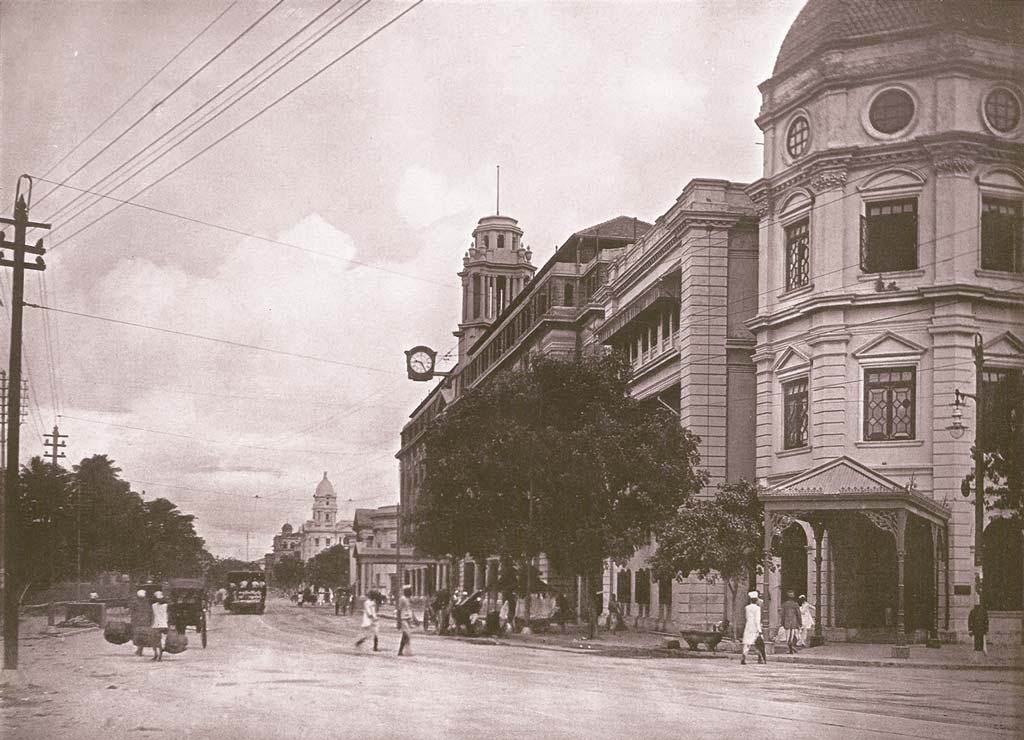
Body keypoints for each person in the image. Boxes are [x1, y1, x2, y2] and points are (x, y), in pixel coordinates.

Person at [741, 590, 763, 666]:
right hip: (755, 626)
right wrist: (759, 629)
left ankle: (744, 655)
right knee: (758, 642)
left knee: (747, 642)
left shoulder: (747, 607)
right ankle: (760, 657)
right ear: (756, 599)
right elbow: (757, 619)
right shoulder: (757, 608)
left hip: (748, 625)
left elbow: (747, 617)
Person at [129, 589, 154, 657]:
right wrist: (151, 621)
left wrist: (132, 621)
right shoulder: (147, 603)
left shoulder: (135, 603)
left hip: (137, 622)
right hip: (145, 622)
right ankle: (140, 650)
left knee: (138, 636)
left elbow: (132, 613)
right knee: (143, 636)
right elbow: (150, 612)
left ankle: (139, 650)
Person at [780, 590, 802, 654]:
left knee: (787, 636)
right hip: (794, 622)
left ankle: (790, 648)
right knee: (792, 636)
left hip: (787, 623)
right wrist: (800, 623)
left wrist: (782, 623)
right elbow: (798, 614)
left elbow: (782, 615)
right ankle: (791, 647)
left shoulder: (784, 604)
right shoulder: (795, 604)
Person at [150, 590, 169, 662]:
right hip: (164, 625)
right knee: (162, 641)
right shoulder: (166, 606)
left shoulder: (153, 606)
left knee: (154, 641)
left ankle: (155, 654)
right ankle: (160, 656)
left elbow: (152, 616)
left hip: (156, 625)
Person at [398, 586, 414, 656]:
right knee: (406, 635)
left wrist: (414, 619)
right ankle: (401, 651)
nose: (411, 593)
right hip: (403, 619)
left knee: (405, 636)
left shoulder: (408, 599)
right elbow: (399, 610)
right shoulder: (402, 599)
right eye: (409, 591)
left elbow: (410, 610)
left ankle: (403, 650)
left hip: (408, 619)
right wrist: (398, 621)